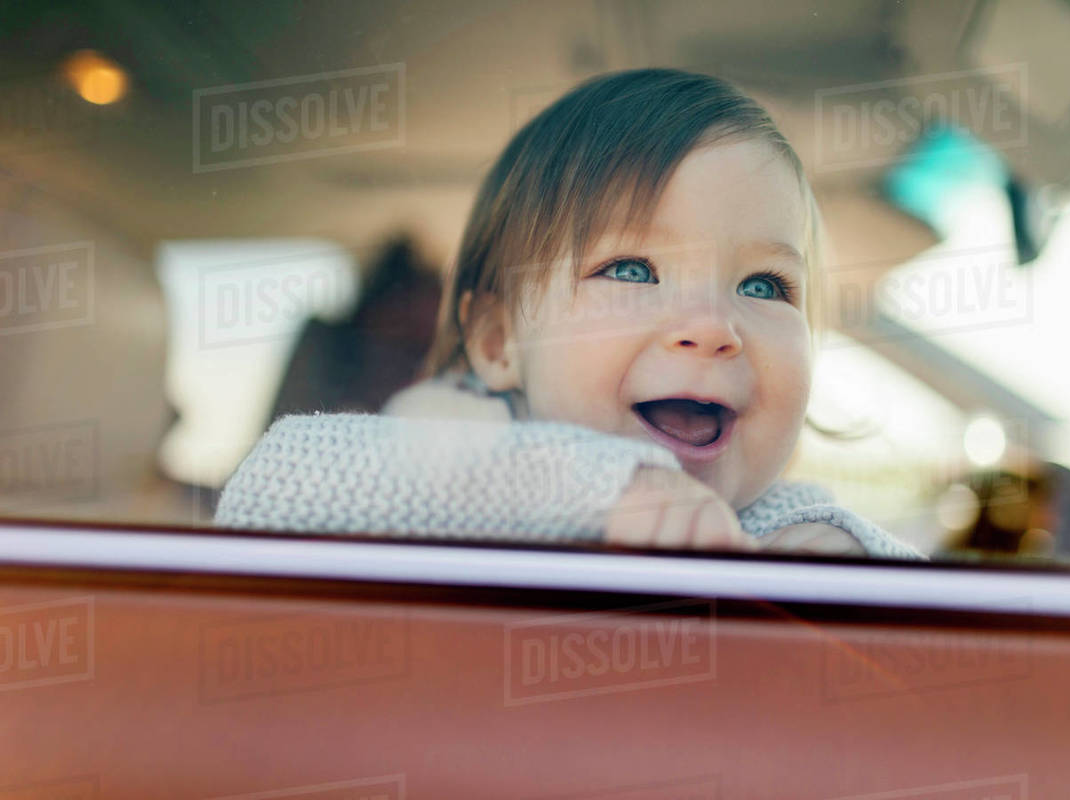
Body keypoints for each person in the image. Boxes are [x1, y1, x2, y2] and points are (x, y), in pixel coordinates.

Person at [215, 68, 921, 560]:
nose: (713, 327)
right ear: (497, 342)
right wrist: (606, 486)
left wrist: (849, 550)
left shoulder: (769, 522)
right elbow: (272, 481)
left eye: (765, 286)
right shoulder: (460, 464)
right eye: (631, 269)